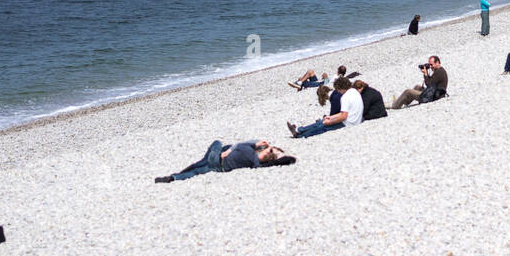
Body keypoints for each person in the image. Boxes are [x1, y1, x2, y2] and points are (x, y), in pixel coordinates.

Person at [155, 140, 294, 181]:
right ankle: (174, 177)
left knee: (217, 143)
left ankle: (177, 174)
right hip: (220, 169)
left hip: (217, 158)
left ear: (265, 151)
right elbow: (271, 163)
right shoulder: (256, 164)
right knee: (197, 171)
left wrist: (257, 143)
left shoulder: (249, 150)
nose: (268, 147)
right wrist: (281, 160)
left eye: (269, 149)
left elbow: (239, 144)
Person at [289, 75, 364, 137]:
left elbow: (343, 116)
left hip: (348, 123)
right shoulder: (355, 92)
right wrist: (331, 117)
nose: (338, 91)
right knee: (323, 121)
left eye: (338, 89)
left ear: (341, 87)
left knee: (323, 127)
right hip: (355, 120)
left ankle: (300, 135)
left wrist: (330, 122)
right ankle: (299, 130)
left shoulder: (345, 97)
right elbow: (344, 113)